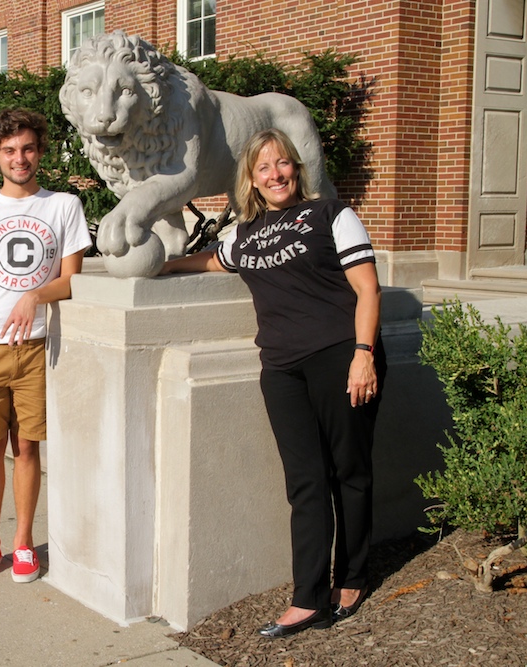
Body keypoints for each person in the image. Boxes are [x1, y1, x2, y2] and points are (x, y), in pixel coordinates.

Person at [162, 128, 385, 637]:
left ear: (296, 168)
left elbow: (367, 289)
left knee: (349, 470)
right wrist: (165, 265)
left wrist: (363, 355)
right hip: (282, 368)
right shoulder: (246, 233)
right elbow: (213, 260)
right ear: (252, 180)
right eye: (264, 168)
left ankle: (352, 577)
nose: (276, 173)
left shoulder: (331, 214)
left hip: (340, 357)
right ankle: (308, 598)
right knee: (305, 482)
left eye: (283, 163)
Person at [0, 108, 92, 584]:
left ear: (40, 151)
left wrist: (34, 294)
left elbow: (71, 280)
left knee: (26, 447)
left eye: (28, 148)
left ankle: (23, 543)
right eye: (10, 150)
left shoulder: (63, 206)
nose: (20, 158)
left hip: (34, 349)